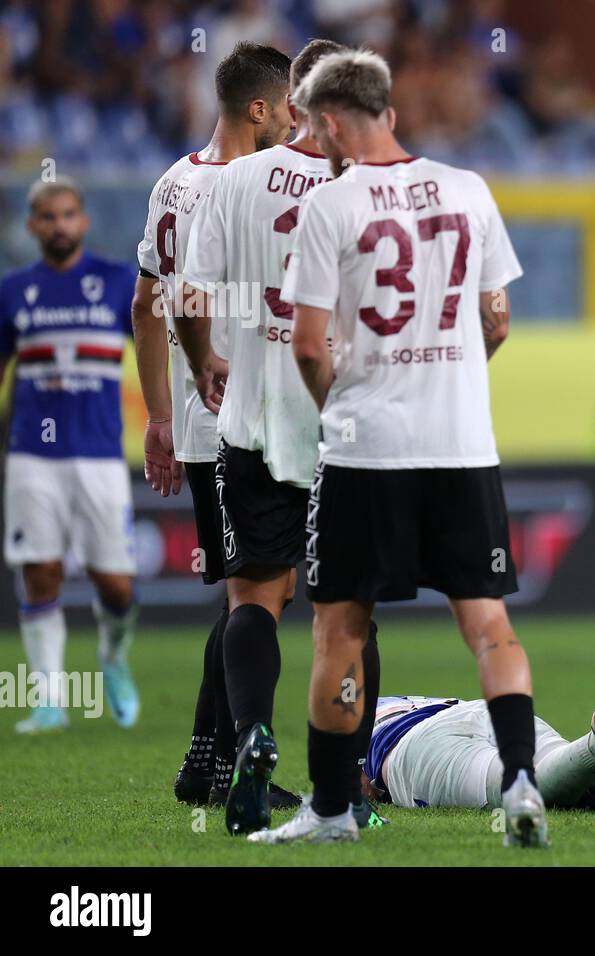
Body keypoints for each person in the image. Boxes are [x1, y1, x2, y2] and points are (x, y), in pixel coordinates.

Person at [250, 49, 543, 847]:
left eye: (315, 123)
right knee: (488, 624)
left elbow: (310, 347)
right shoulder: (468, 189)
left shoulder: (331, 206)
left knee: (339, 631)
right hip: (460, 446)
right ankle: (519, 783)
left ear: (335, 120)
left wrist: (338, 405)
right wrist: (448, 381)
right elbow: (497, 320)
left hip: (367, 450)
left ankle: (333, 810)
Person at [176, 38, 386, 835]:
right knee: (348, 613)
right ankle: (352, 789)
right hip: (344, 421)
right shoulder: (375, 190)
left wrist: (203, 365)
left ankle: (251, 741)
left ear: (294, 100)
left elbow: (189, 298)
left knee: (252, 597)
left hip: (255, 417)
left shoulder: (235, 180)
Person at [134, 42, 297, 810]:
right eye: (289, 105)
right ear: (258, 109)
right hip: (239, 416)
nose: (297, 120)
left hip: (200, 420)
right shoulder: (240, 188)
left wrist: (158, 417)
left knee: (250, 591)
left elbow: (145, 304)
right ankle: (218, 756)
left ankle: (212, 756)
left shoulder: (172, 182)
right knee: (256, 595)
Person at [0, 179, 139, 734]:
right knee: (42, 572)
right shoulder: (13, 291)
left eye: (68, 215)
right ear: (32, 226)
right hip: (32, 454)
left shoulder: (116, 283)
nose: (59, 225)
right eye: (48, 217)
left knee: (116, 584)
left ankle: (114, 658)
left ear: (83, 221)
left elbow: (154, 349)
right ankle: (49, 700)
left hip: (100, 455)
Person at [363, 699, 595, 813]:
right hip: (480, 708)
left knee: (524, 789)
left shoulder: (344, 718)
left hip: (415, 747)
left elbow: (358, 791)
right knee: (572, 782)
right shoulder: (393, 697)